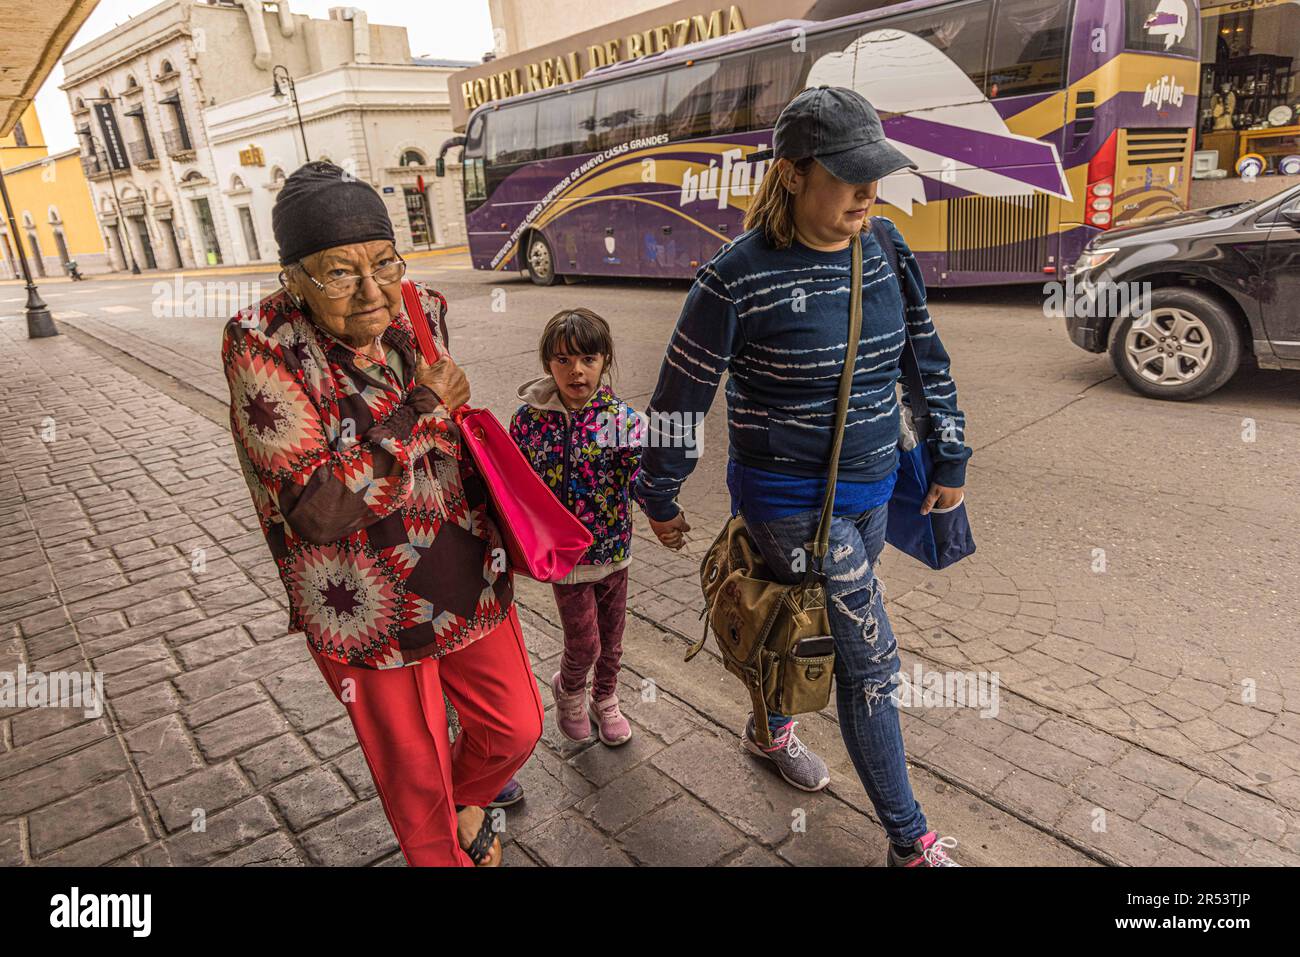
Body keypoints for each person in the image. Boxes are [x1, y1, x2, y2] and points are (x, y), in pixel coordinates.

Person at [634, 88, 971, 867]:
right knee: (872, 664)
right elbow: (681, 397)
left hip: (874, 493)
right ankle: (909, 842)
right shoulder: (732, 279)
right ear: (790, 174)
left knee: (802, 621)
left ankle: (768, 728)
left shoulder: (885, 248)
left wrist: (949, 454)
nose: (867, 191)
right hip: (789, 507)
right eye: (848, 174)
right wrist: (658, 492)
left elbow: (926, 362)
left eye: (874, 174)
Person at [221, 161, 542, 867]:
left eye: (383, 263)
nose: (373, 291)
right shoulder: (260, 342)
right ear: (293, 276)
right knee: (415, 780)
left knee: (515, 724)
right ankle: (442, 842)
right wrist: (422, 412)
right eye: (340, 273)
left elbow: (448, 425)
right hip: (359, 598)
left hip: (462, 563)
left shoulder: (420, 304)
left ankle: (467, 803)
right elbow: (319, 506)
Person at [510, 309, 643, 747]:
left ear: (604, 360)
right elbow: (513, 485)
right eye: (563, 360)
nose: (576, 370)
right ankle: (569, 690)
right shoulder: (528, 421)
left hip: (613, 550)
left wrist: (664, 510)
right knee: (584, 643)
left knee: (613, 640)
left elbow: (639, 479)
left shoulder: (622, 420)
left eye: (587, 358)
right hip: (563, 558)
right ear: (548, 362)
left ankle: (605, 699)